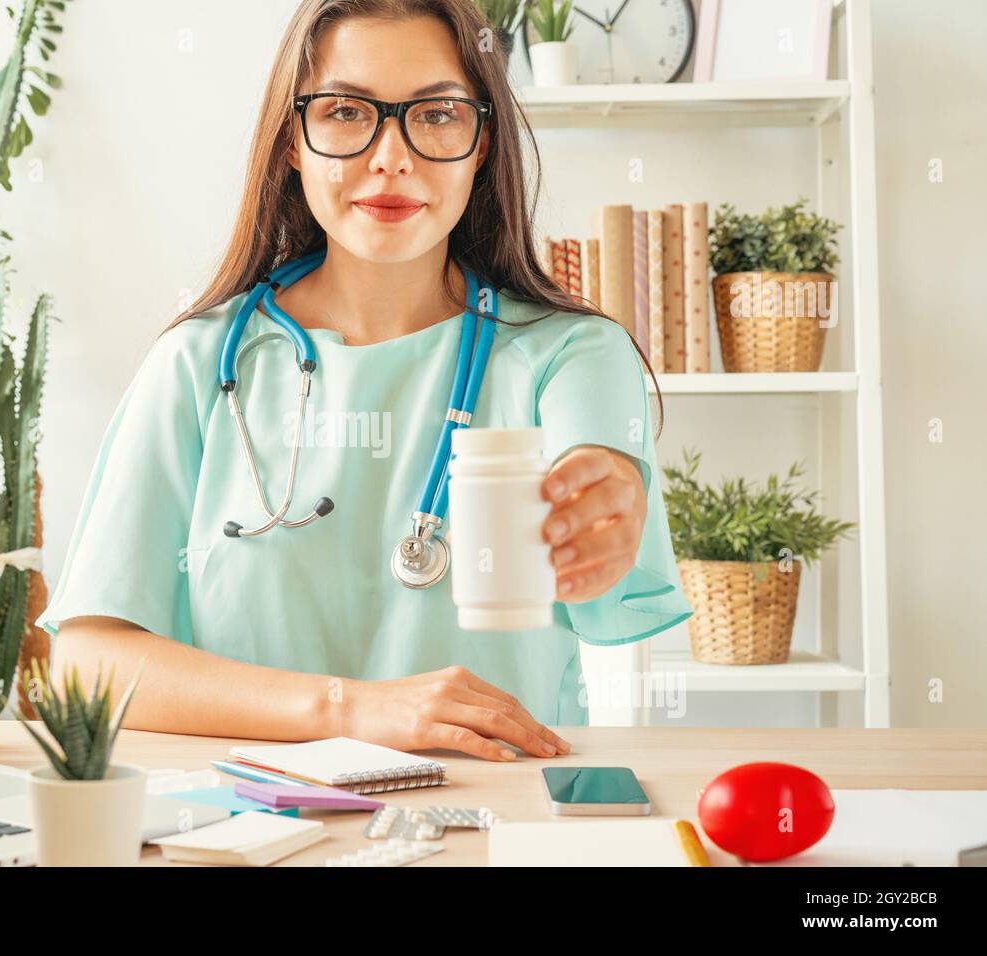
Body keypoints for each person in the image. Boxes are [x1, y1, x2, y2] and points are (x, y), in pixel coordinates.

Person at [36, 0, 692, 761]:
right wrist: (349, 709)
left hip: (494, 823)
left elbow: (601, 476)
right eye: (348, 111)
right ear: (292, 140)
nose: (392, 157)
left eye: (437, 114)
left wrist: (608, 503)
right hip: (254, 833)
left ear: (482, 144)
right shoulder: (196, 364)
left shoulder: (570, 352)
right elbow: (88, 660)